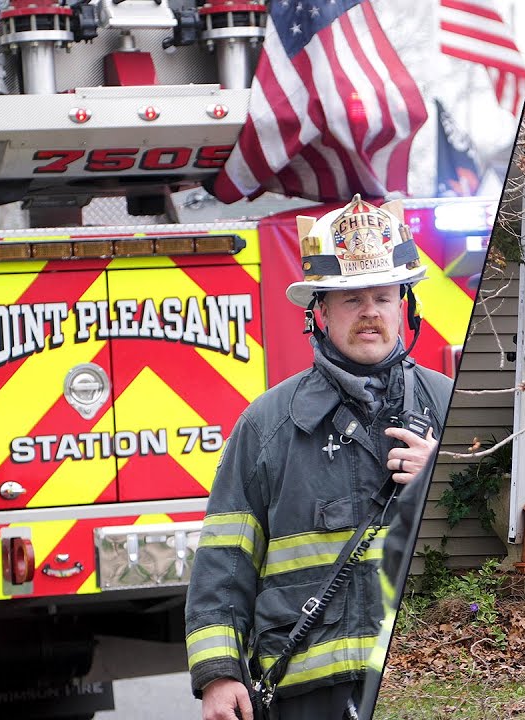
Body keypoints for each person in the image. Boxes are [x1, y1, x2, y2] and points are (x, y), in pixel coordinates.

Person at [184, 196, 452, 720]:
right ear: (321, 313)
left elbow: (500, 536)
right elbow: (223, 561)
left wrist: (439, 479)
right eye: (352, 299)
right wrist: (219, 674)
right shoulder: (267, 425)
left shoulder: (446, 405)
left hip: (427, 678)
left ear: (405, 306)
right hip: (307, 691)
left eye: (383, 296)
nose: (370, 312)